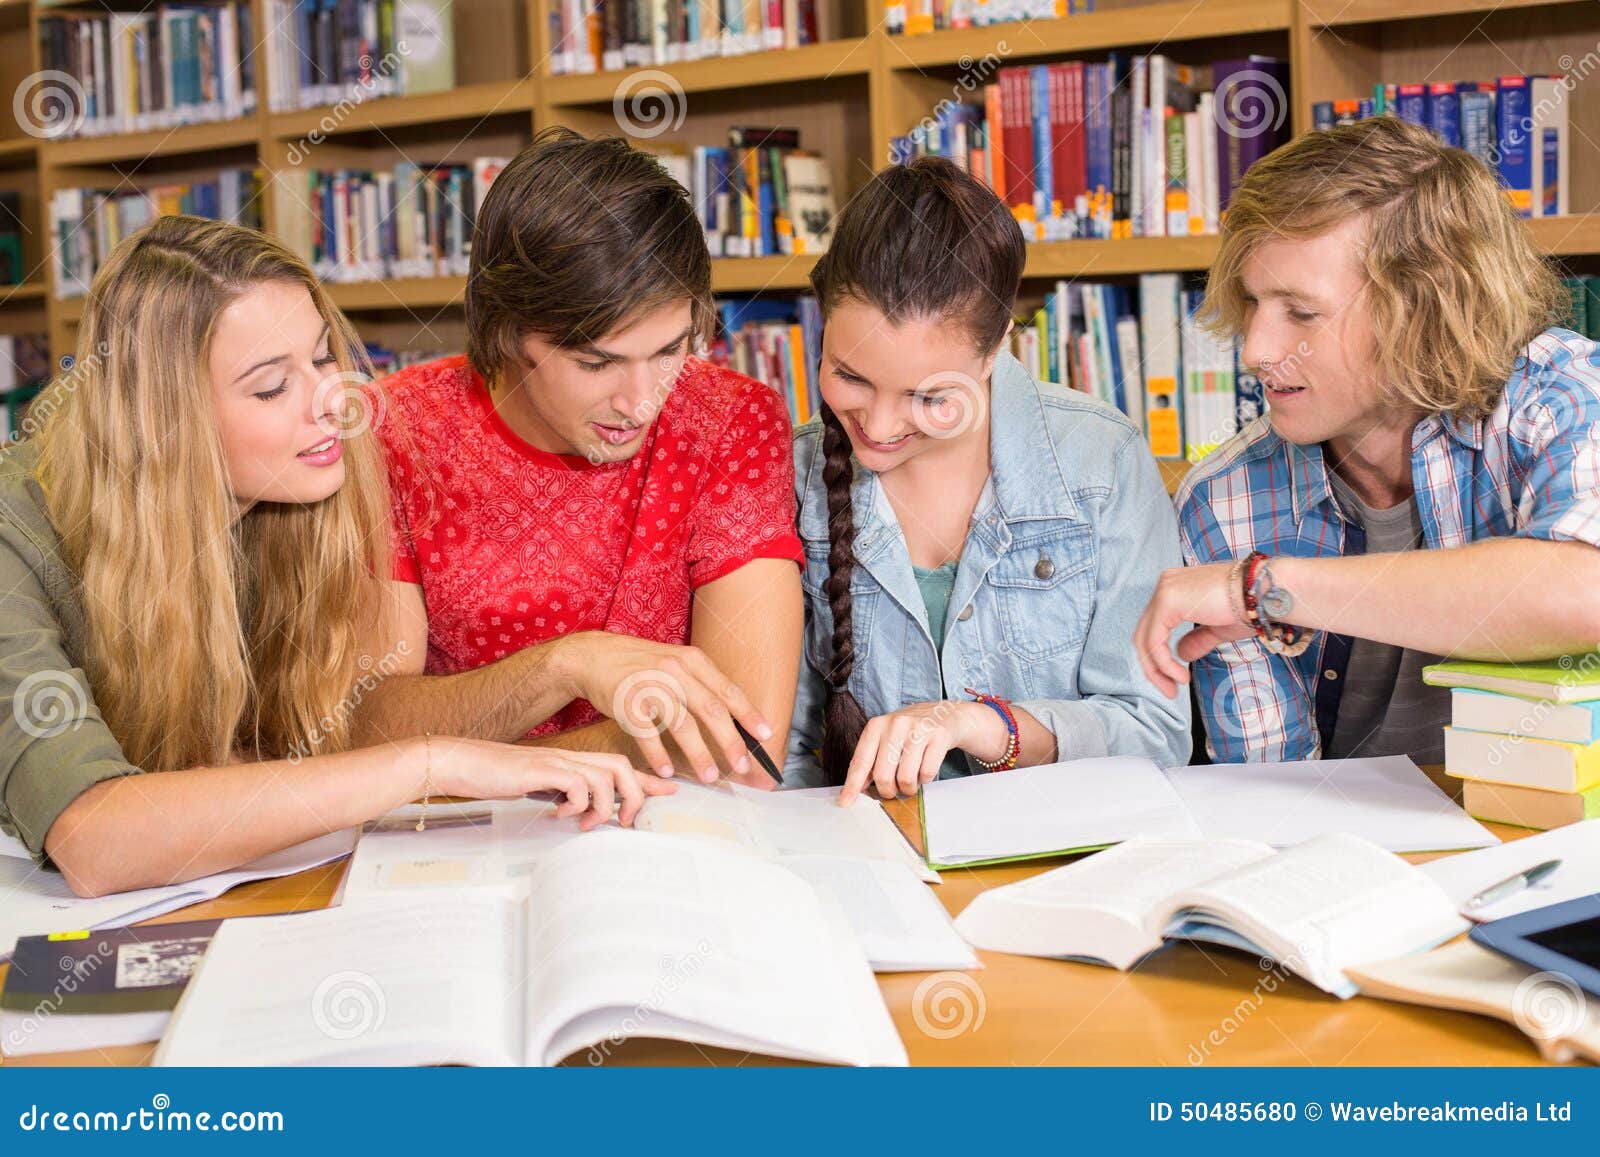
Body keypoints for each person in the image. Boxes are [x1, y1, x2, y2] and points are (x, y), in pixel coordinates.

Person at [0, 216, 671, 898]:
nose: (331, 401)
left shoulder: (291, 497)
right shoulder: (12, 537)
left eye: (322, 359)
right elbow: (93, 841)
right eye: (270, 387)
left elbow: (289, 754)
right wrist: (429, 763)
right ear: (164, 420)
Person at [1135, 115, 1600, 763]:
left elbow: (1585, 592)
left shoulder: (1558, 397)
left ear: (1423, 307)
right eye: (1252, 303)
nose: (1256, 350)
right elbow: (1273, 785)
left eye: (1301, 312)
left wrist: (1266, 587)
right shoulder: (1224, 497)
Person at [352, 128, 805, 786]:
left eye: (670, 350)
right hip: (455, 853)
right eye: (597, 362)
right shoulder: (396, 431)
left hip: (661, 849)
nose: (641, 400)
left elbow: (745, 745)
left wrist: (464, 756)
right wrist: (563, 664)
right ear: (509, 331)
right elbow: (367, 727)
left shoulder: (732, 420)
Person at [785, 157, 1191, 800]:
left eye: (928, 395)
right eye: (851, 376)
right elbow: (781, 758)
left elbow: (1154, 733)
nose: (880, 425)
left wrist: (986, 727)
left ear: (997, 344)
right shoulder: (793, 478)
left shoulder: (1100, 462)